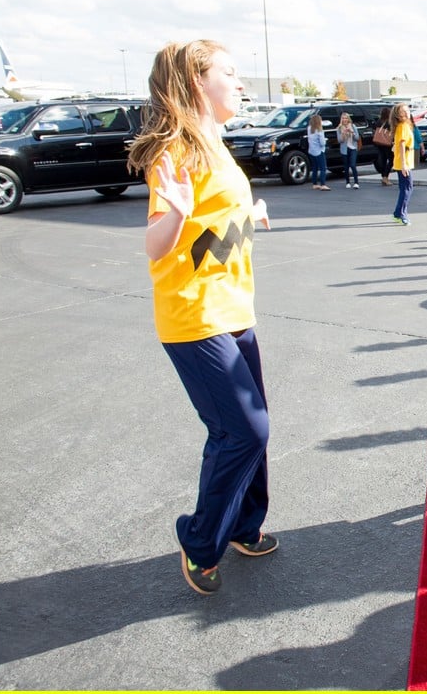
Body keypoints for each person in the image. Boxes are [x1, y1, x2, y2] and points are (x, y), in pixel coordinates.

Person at [125, 39, 278, 595]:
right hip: (195, 315)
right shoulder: (175, 152)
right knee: (244, 430)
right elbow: (156, 243)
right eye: (229, 73)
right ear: (197, 81)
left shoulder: (215, 142)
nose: (239, 83)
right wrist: (177, 213)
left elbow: (213, 223)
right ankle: (199, 539)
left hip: (233, 307)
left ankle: (243, 525)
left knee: (252, 427)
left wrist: (250, 213)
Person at [388, 104, 415, 226]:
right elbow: (401, 145)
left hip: (404, 161)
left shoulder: (405, 125)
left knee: (405, 188)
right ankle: (401, 214)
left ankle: (398, 213)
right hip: (403, 163)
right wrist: (404, 165)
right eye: (403, 111)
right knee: (407, 188)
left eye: (407, 110)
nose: (407, 112)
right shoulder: (402, 126)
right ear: (398, 115)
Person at [338, 111, 361, 189]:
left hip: (353, 148)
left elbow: (357, 138)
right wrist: (343, 134)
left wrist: (352, 132)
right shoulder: (339, 128)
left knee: (353, 165)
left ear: (348, 119)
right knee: (346, 166)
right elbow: (340, 141)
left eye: (346, 118)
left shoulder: (353, 126)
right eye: (343, 118)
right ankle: (347, 182)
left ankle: (356, 182)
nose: (345, 120)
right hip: (344, 149)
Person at [307, 113, 330, 190]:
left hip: (311, 150)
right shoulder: (319, 130)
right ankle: (323, 184)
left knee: (315, 168)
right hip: (319, 151)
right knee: (323, 168)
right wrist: (325, 141)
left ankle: (314, 184)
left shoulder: (309, 129)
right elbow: (322, 143)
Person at [374, 106, 395, 186]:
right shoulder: (390, 122)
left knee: (383, 160)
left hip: (379, 143)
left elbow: (375, 129)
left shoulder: (378, 121)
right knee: (391, 160)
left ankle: (383, 177)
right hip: (387, 144)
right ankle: (385, 177)